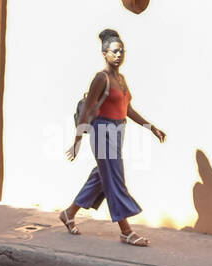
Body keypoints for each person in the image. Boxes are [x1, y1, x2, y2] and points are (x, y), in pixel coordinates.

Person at [59, 29, 165, 246]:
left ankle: (69, 213)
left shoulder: (121, 79)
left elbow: (128, 109)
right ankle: (126, 231)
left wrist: (151, 127)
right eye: (114, 51)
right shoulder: (101, 78)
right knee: (114, 178)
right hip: (102, 131)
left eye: (122, 51)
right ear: (105, 53)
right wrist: (77, 141)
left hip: (117, 131)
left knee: (102, 175)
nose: (119, 55)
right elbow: (88, 110)